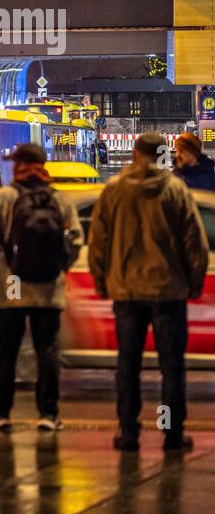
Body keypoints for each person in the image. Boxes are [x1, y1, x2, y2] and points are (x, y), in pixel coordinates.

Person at [89, 133, 209, 452]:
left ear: (134, 154)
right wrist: (193, 284)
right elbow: (195, 245)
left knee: (128, 365)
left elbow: (98, 242)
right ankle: (170, 433)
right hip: (168, 292)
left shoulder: (114, 191)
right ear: (163, 156)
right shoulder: (175, 191)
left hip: (127, 293)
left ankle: (129, 433)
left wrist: (103, 283)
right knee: (171, 367)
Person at [0, 142, 80, 433]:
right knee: (46, 349)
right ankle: (48, 413)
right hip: (48, 286)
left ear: (19, 166)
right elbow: (75, 238)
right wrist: (61, 266)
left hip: (12, 283)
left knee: (6, 349)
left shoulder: (5, 198)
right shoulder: (59, 200)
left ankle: (1, 414)